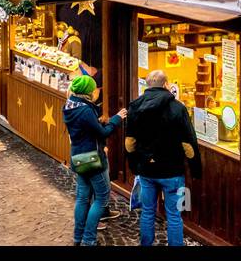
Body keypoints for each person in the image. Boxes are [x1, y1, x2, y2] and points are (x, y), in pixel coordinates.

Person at [125, 69, 202, 246]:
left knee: (147, 212)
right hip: (172, 171)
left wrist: (135, 166)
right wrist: (196, 170)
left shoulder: (135, 107)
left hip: (146, 170)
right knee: (174, 215)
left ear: (147, 85)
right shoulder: (178, 108)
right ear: (166, 85)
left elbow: (130, 143)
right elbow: (188, 145)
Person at [62, 74, 126, 246]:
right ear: (87, 92)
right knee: (102, 198)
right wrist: (117, 119)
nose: (97, 91)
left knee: (82, 198)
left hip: (78, 157)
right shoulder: (85, 111)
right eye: (94, 88)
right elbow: (103, 133)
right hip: (93, 159)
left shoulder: (69, 106)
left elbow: (87, 129)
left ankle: (78, 237)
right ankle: (89, 239)